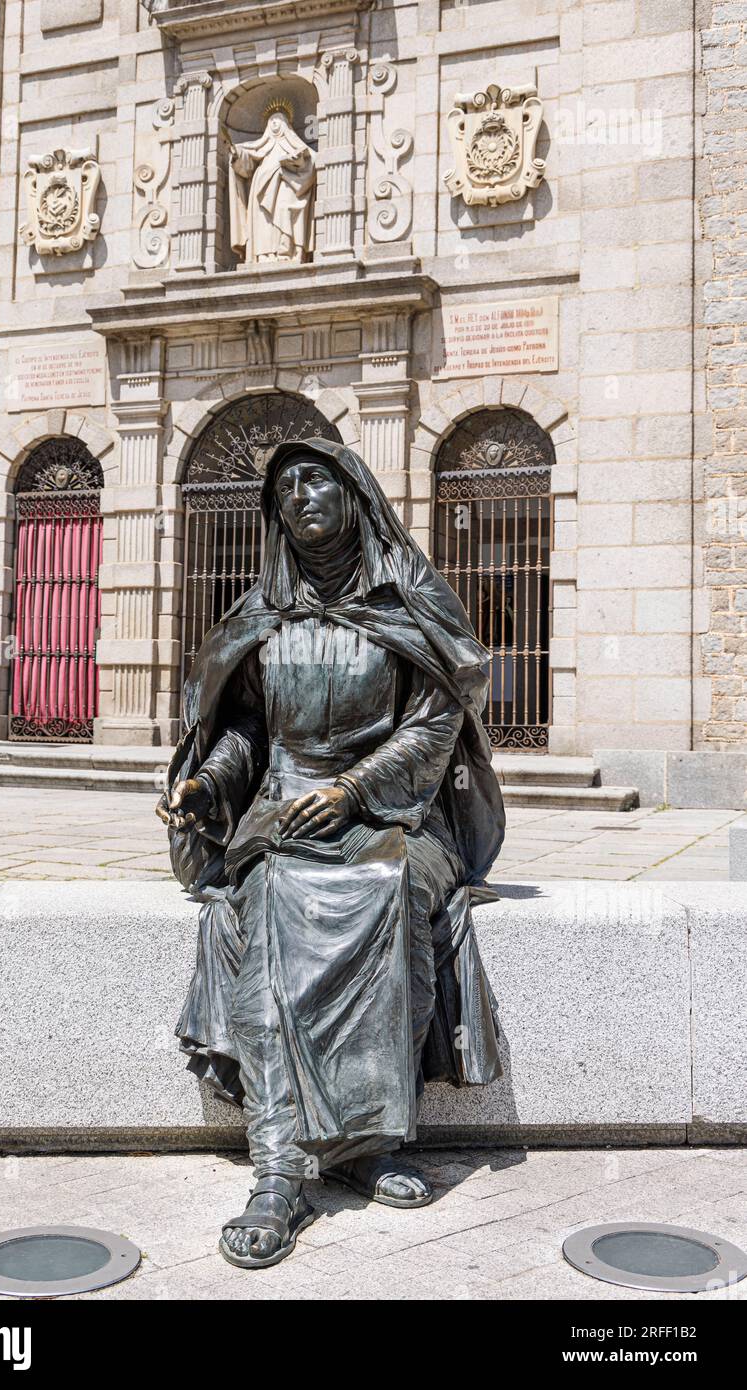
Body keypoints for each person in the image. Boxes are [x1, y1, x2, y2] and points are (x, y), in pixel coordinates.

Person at [157, 437, 505, 1269]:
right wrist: (206, 786)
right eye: (283, 488)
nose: (299, 495)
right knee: (274, 897)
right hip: (280, 808)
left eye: (316, 479)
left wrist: (352, 791)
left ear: (353, 493)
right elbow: (243, 730)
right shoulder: (260, 613)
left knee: (382, 890)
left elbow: (437, 718)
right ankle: (278, 1168)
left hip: (395, 809)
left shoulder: (409, 597)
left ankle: (366, 1142)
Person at [228, 100, 316, 265]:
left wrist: (296, 161)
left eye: (279, 119)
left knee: (284, 211)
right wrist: (236, 155)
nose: (275, 122)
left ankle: (287, 252)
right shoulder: (262, 147)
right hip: (260, 191)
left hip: (286, 186)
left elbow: (312, 161)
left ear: (285, 125)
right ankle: (263, 255)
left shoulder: (294, 145)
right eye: (272, 120)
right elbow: (246, 165)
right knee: (263, 222)